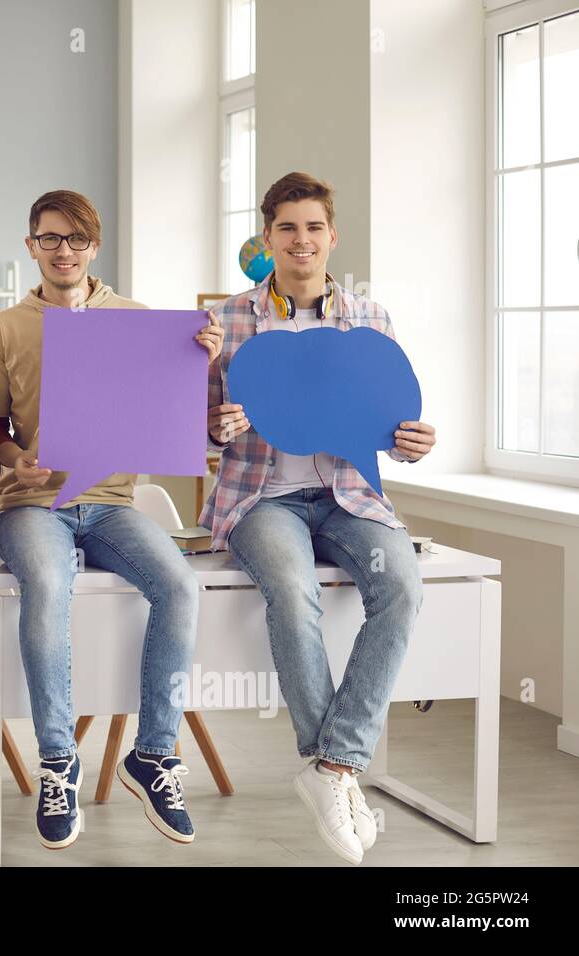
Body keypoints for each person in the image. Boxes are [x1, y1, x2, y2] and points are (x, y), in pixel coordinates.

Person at [0, 189, 222, 849]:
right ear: (31, 245)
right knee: (49, 588)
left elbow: (171, 407)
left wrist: (205, 354)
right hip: (32, 504)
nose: (64, 251)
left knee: (179, 585)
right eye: (51, 239)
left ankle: (153, 753)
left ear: (95, 246)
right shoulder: (4, 327)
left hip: (114, 504)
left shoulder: (136, 319)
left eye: (76, 240)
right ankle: (58, 760)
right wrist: (13, 457)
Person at [203, 171, 437, 864]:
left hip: (349, 496)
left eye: (313, 228)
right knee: (292, 587)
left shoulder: (371, 318)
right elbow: (192, 434)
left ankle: (333, 766)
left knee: (402, 586)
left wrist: (414, 442)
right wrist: (215, 428)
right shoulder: (227, 320)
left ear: (332, 236)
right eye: (286, 228)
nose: (301, 240)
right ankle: (335, 768)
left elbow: (389, 421)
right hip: (259, 496)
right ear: (266, 238)